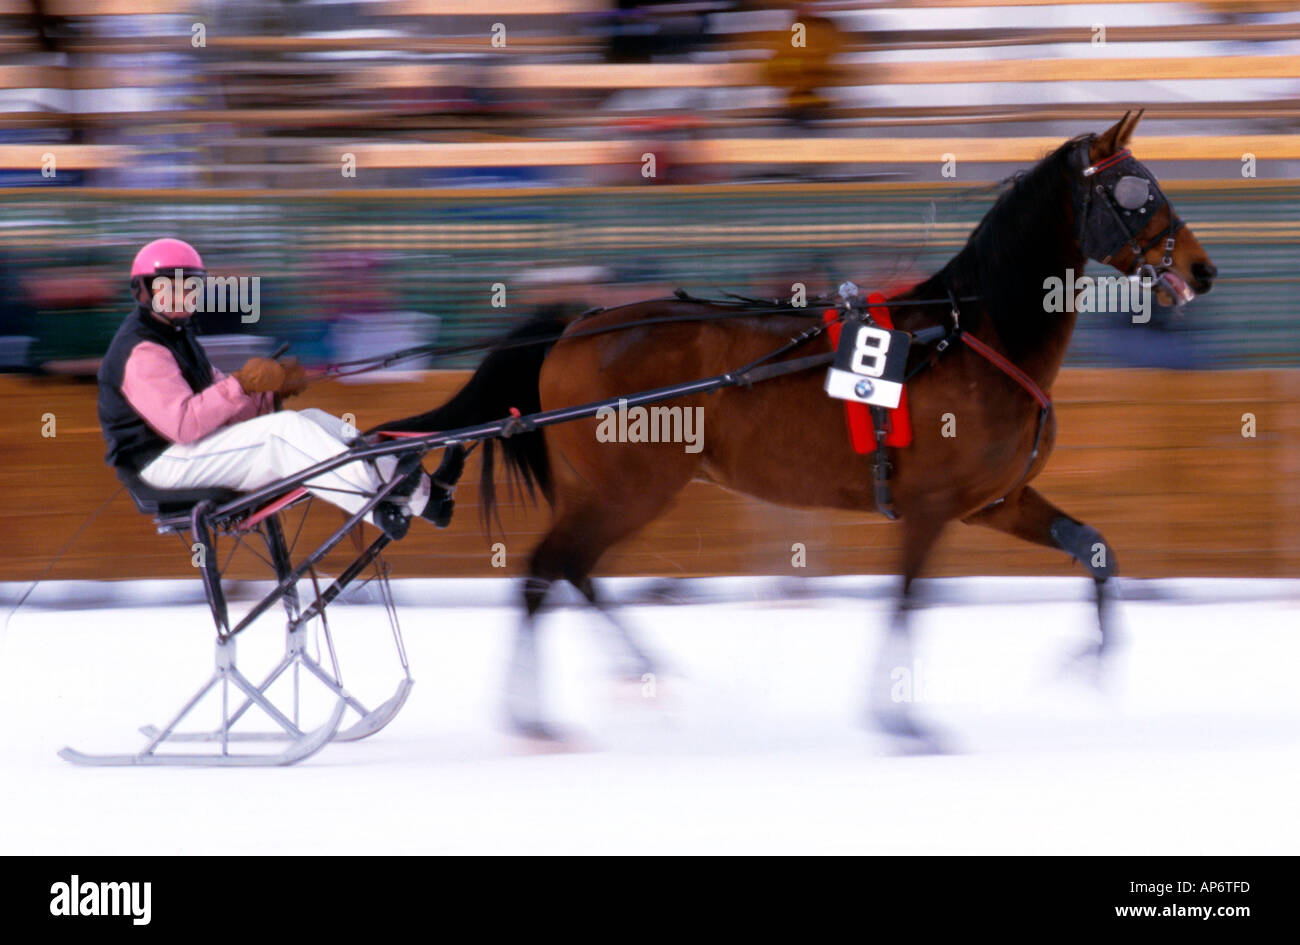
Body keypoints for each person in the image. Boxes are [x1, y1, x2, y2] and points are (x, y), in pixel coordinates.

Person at [97, 237, 459, 538]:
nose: (181, 297)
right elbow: (185, 424)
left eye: (189, 287)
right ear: (143, 292)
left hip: (188, 453)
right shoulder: (142, 349)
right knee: (282, 433)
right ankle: (376, 499)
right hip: (160, 463)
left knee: (311, 418)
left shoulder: (178, 336)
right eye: (168, 288)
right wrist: (243, 384)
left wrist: (269, 391)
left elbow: (220, 399)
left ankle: (422, 496)